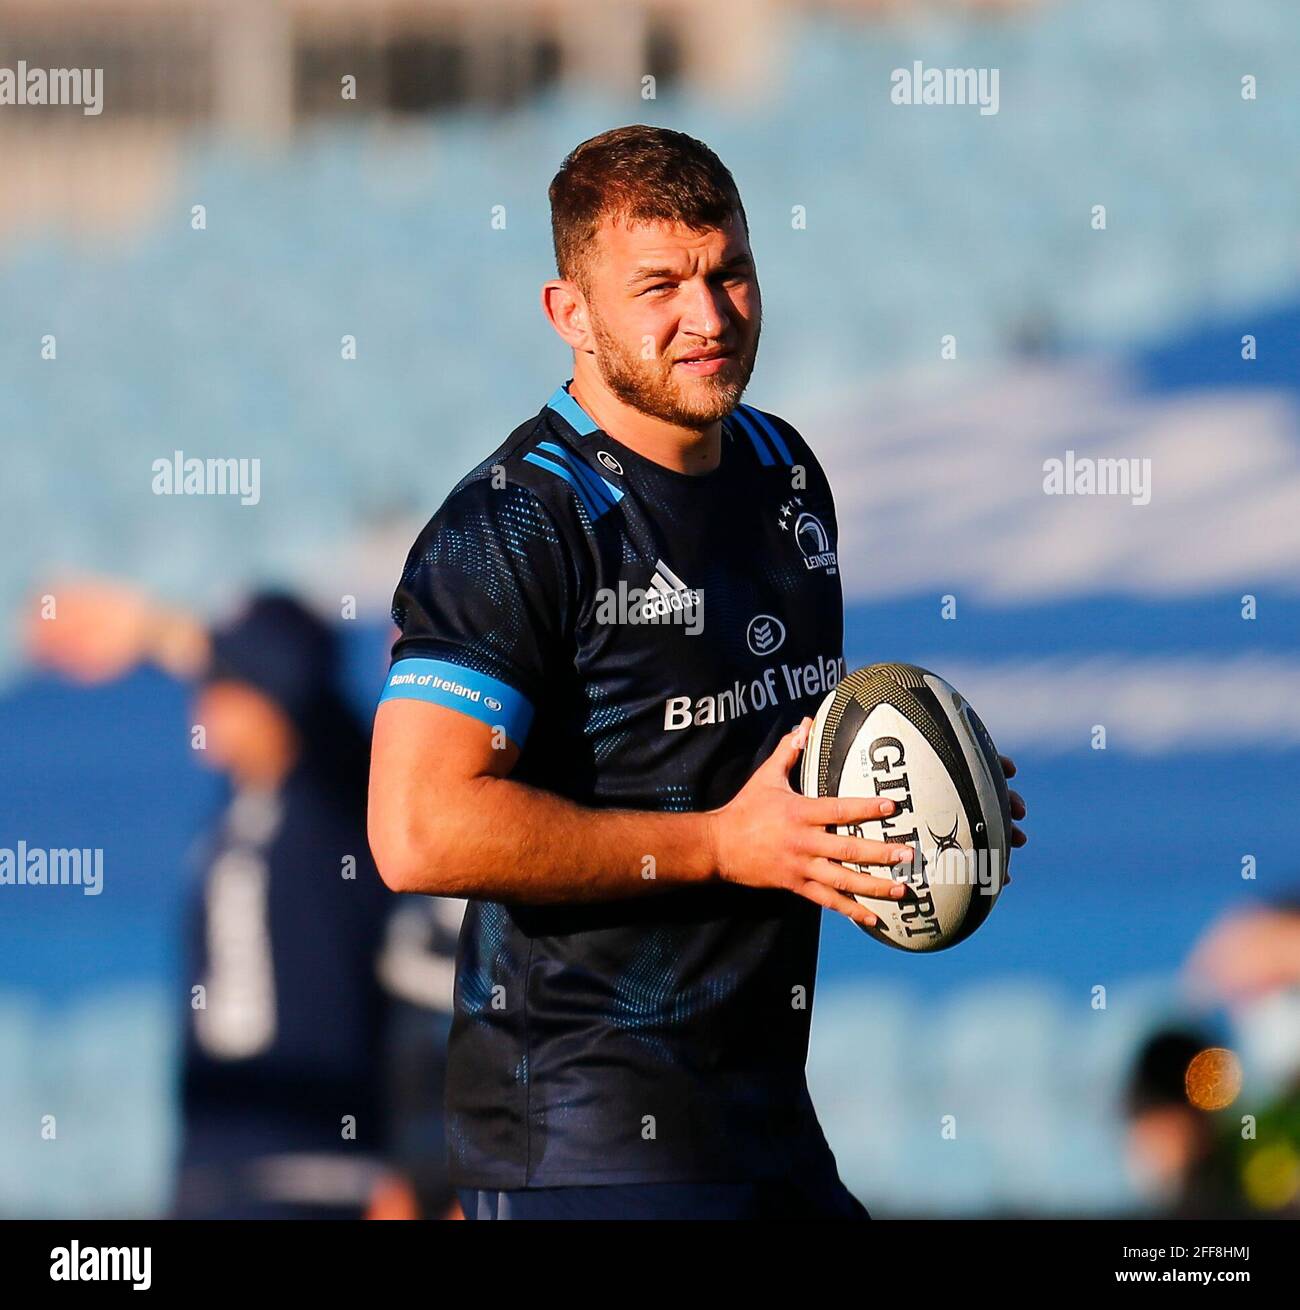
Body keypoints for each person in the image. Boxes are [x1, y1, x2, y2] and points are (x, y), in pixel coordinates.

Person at [368, 125, 1029, 1221]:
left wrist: (908, 813)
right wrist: (721, 842)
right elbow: (416, 829)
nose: (710, 315)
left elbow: (773, 767)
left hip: (766, 1117)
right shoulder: (514, 523)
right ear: (569, 312)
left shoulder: (785, 471)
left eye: (729, 271)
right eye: (660, 284)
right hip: (587, 1135)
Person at [27, 584, 458, 1218]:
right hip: (213, 1176)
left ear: (273, 699)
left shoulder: (334, 807)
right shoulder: (234, 818)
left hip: (322, 1176)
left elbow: (291, 671)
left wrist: (152, 631)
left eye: (227, 686)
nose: (206, 706)